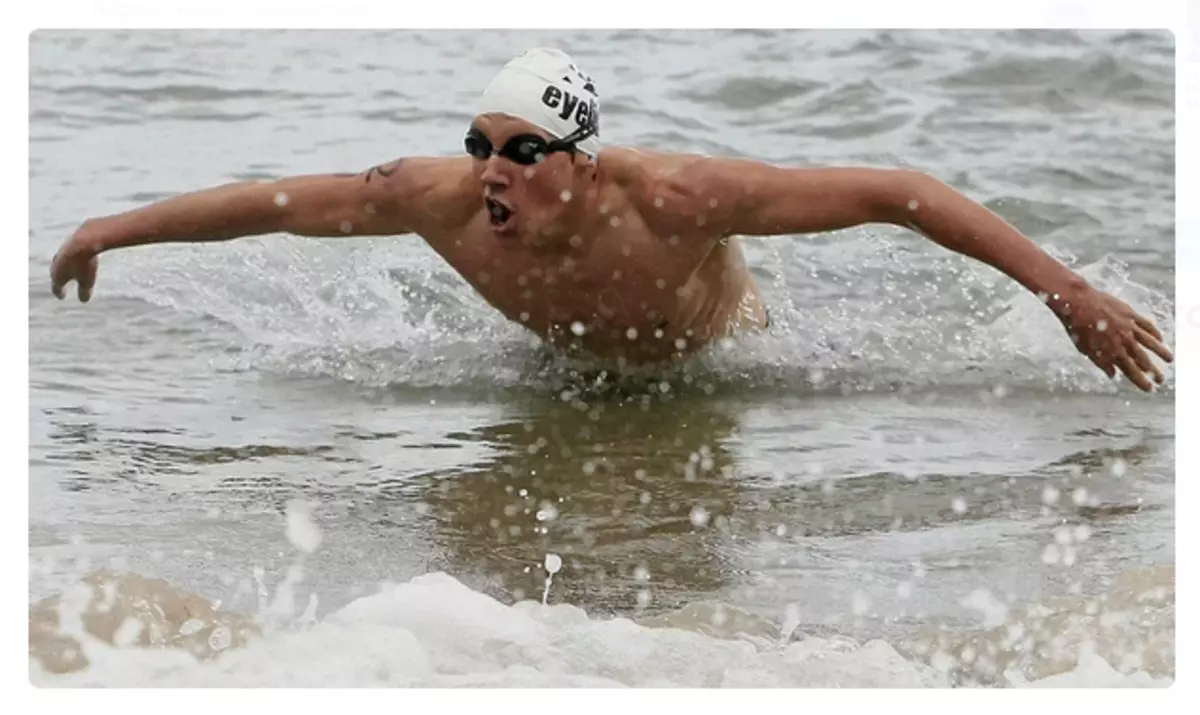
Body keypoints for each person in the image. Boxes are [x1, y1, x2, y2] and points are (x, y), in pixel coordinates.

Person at [50, 47, 1173, 391]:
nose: (490, 167)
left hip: (715, 365)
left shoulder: (680, 200)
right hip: (564, 367)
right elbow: (274, 207)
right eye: (481, 142)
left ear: (580, 163)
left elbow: (899, 193)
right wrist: (111, 226)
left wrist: (1064, 290)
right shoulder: (436, 197)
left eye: (521, 150)